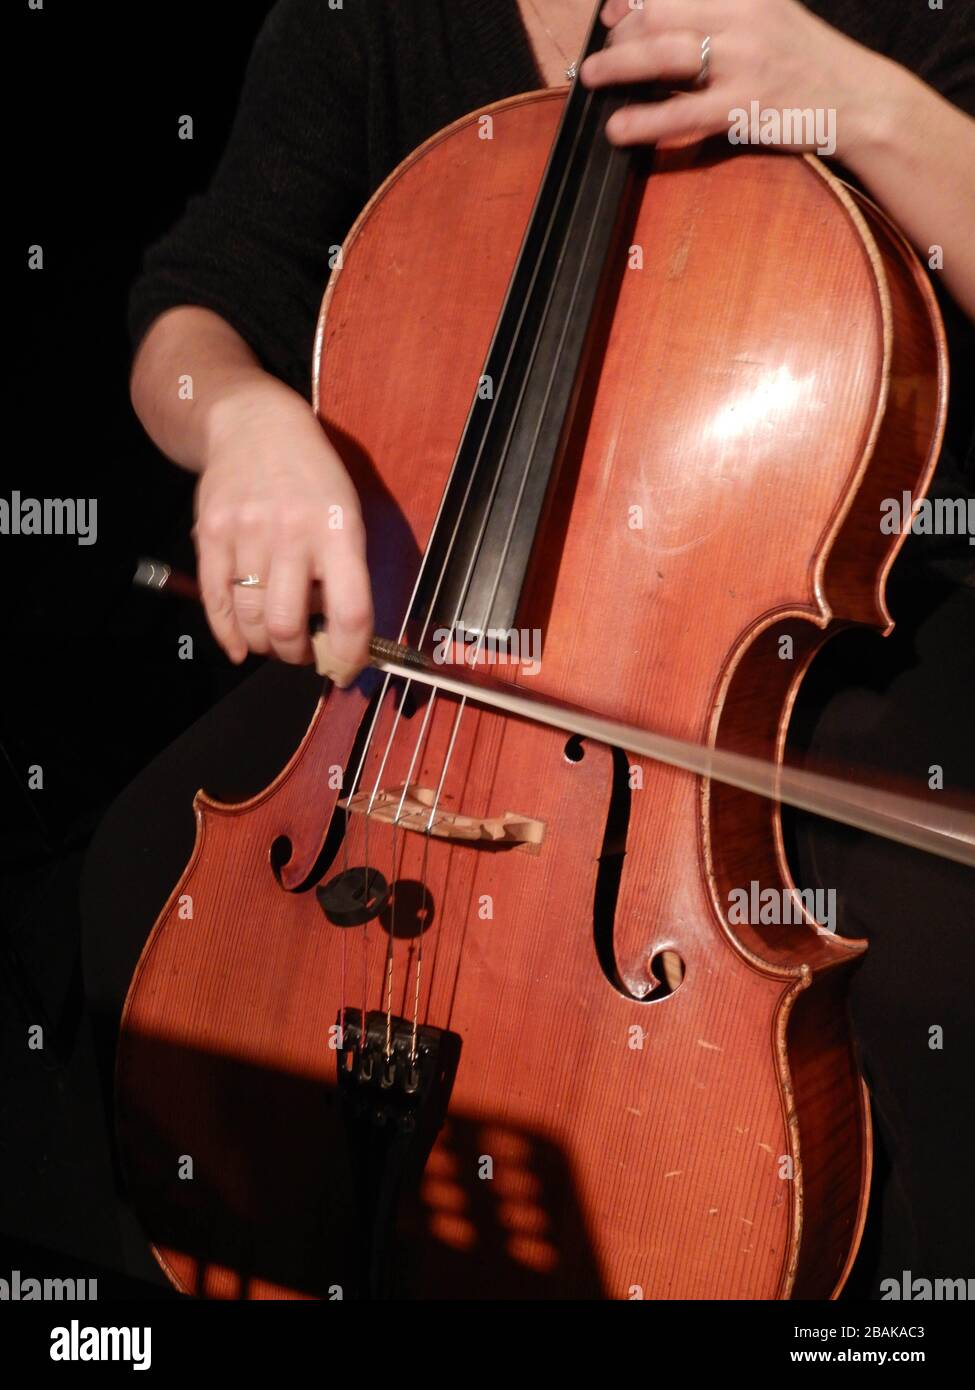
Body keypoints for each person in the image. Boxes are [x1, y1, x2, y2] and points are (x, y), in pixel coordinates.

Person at [85, 0, 974, 1295]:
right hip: (427, 643)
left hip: (796, 643)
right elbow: (190, 308)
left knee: (933, 1013)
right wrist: (237, 418)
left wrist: (867, 103)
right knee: (131, 873)